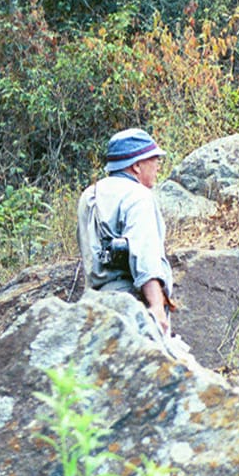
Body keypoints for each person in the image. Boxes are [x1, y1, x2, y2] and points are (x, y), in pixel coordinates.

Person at [77, 127, 175, 334]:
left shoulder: (90, 194)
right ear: (137, 165)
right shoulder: (138, 196)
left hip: (95, 305)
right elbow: (145, 257)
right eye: (154, 159)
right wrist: (157, 307)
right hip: (133, 308)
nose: (158, 165)